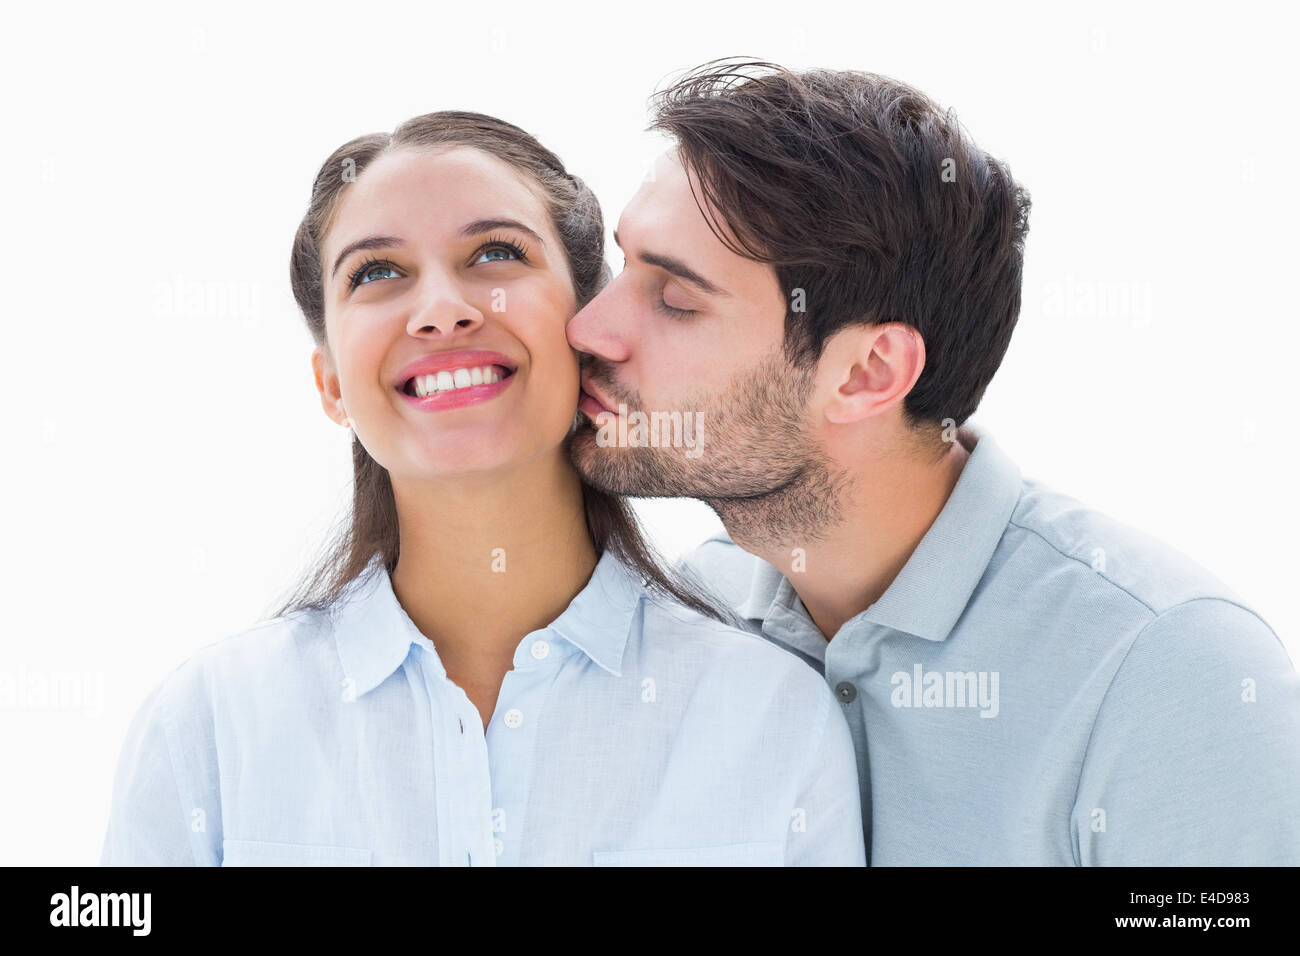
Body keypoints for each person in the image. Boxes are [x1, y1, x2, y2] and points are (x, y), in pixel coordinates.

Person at [565, 59, 1300, 865]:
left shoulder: (1169, 672)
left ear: (868, 373)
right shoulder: (691, 617)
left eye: (676, 300)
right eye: (623, 263)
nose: (590, 328)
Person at [99, 109, 865, 867]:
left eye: (496, 254)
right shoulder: (207, 730)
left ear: (588, 326)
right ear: (332, 384)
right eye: (376, 273)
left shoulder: (774, 720)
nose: (442, 311)